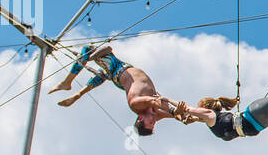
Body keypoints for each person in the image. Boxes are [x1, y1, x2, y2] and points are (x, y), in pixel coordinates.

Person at [48, 44, 181, 136]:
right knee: (101, 73)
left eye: (150, 123)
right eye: (153, 124)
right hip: (118, 76)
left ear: (140, 119)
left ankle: (67, 82)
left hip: (119, 70)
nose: (154, 121)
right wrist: (190, 116)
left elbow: (107, 48)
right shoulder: (154, 113)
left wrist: (90, 58)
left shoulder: (139, 106)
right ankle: (77, 93)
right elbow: (179, 116)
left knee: (88, 50)